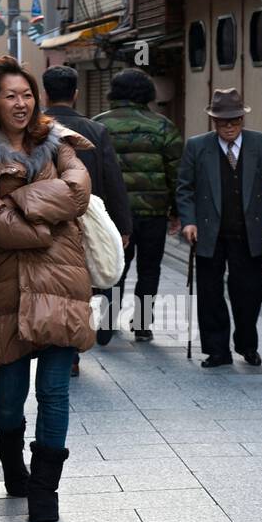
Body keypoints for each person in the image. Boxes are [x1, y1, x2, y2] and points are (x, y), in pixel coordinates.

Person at [0, 55, 94, 522]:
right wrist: (46, 224)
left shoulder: (56, 142)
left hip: (62, 283)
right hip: (10, 288)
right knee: (9, 399)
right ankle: (13, 465)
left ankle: (44, 488)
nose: (22, 103)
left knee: (54, 390)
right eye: (10, 95)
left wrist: (18, 197)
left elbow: (78, 193)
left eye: (27, 94)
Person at [176, 87, 262, 367]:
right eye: (222, 121)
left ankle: (246, 344)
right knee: (210, 292)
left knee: (249, 291)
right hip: (208, 232)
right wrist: (188, 220)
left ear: (242, 119)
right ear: (213, 121)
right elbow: (184, 188)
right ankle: (217, 350)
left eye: (235, 120)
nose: (229, 126)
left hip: (248, 231)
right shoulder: (197, 146)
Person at [41, 65, 132, 374]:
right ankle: (82, 342)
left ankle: (63, 349)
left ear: (44, 93)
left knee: (53, 284)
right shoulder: (94, 131)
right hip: (86, 220)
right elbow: (112, 179)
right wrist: (122, 226)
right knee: (82, 282)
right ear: (76, 93)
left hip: (45, 221)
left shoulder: (34, 129)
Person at [92, 69, 183, 342]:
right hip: (153, 212)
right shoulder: (163, 126)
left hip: (114, 215)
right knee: (149, 268)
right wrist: (176, 212)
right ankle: (142, 323)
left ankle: (108, 321)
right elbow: (176, 173)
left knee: (115, 266)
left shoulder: (99, 125)